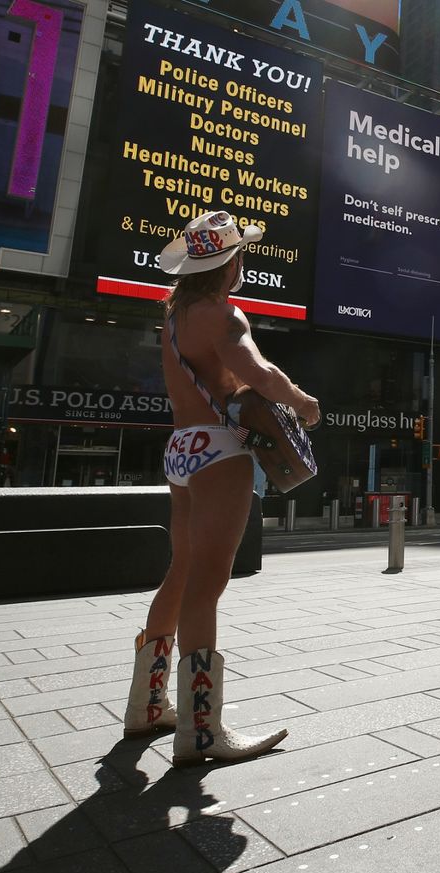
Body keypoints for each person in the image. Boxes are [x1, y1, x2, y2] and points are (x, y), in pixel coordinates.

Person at [122, 210, 320, 766]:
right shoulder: (224, 314)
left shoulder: (176, 314)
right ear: (230, 262)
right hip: (219, 453)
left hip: (182, 450)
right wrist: (302, 403)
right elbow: (257, 372)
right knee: (208, 583)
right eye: (241, 256)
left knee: (181, 572)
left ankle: (146, 706)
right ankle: (201, 730)